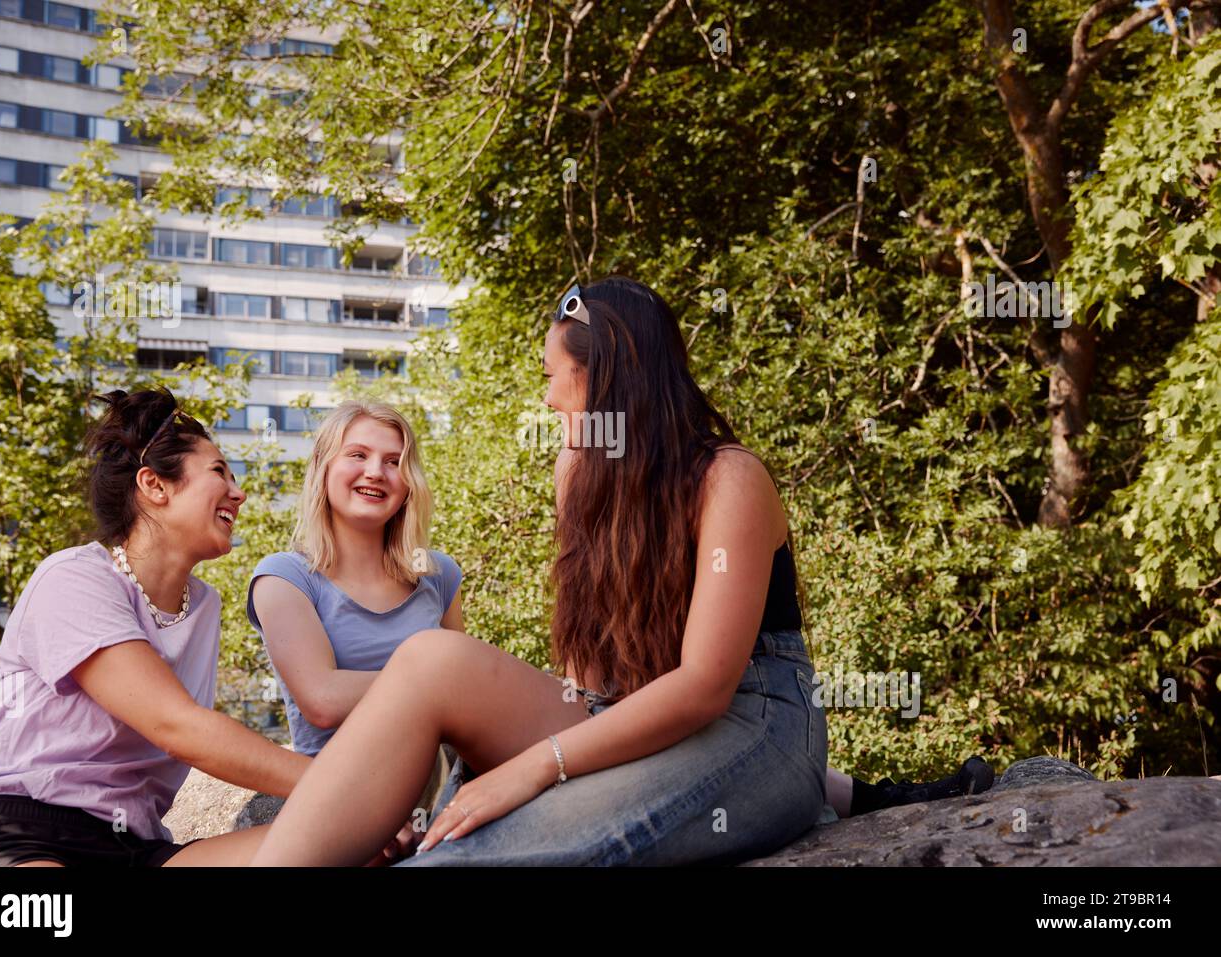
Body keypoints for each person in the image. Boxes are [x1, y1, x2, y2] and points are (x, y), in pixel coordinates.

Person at [247, 276, 992, 868]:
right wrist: (522, 756)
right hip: (629, 714)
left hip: (749, 719)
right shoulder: (579, 472)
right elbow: (588, 672)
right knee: (428, 658)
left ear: (602, 377)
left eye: (552, 376)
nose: (544, 397)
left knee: (465, 849)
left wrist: (536, 768)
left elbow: (704, 687)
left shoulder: (729, 479)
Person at [0, 388, 310, 866]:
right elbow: (178, 727)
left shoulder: (204, 606)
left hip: (134, 846)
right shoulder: (74, 576)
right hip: (11, 830)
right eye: (218, 473)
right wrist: (333, 782)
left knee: (330, 842)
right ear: (155, 485)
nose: (239, 492)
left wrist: (356, 808)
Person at [247, 399, 463, 861]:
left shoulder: (438, 574)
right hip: (339, 794)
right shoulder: (285, 576)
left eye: (393, 462)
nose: (376, 472)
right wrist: (436, 684)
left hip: (442, 793)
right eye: (358, 455)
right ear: (324, 469)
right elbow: (321, 699)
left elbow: (468, 701)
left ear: (409, 485)